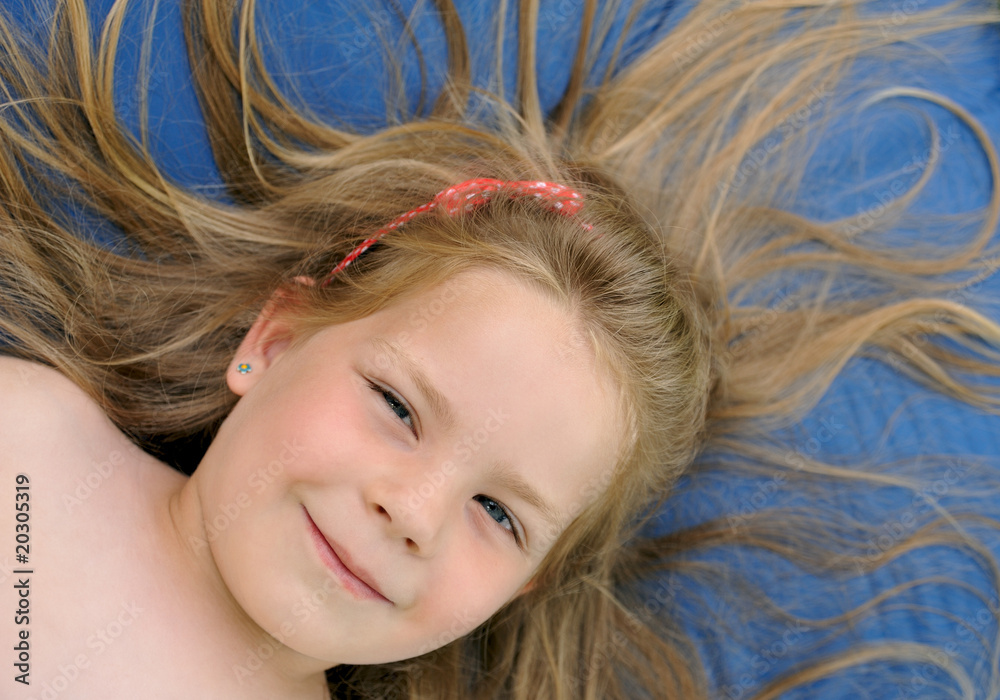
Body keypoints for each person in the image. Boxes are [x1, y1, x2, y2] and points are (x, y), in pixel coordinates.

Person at [0, 0, 998, 698]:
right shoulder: (32, 442)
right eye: (396, 407)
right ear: (277, 335)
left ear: (526, 586)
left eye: (498, 513)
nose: (414, 512)